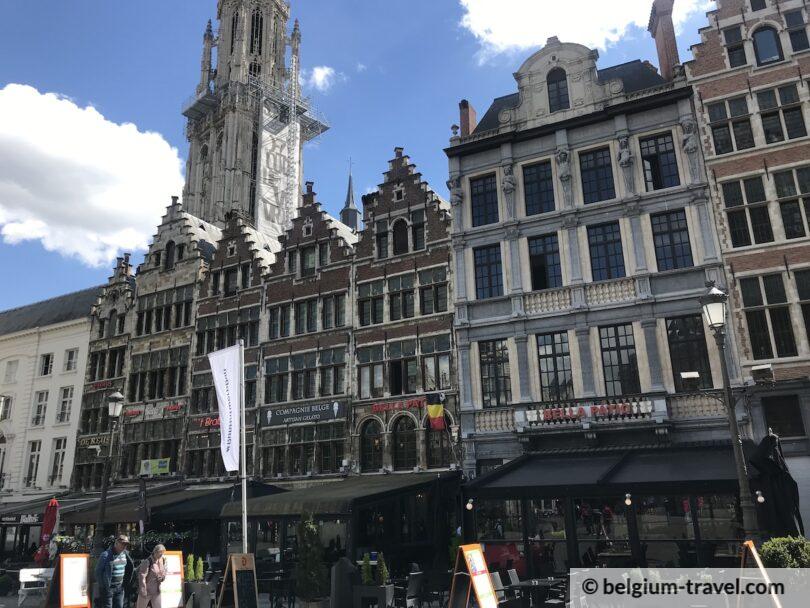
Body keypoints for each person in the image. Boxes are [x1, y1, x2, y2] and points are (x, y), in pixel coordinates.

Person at [95, 534, 135, 608]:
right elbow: (98, 572)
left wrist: (125, 583)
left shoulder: (126, 554)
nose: (124, 546)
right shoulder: (106, 555)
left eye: (126, 544)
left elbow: (129, 568)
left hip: (120, 587)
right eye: (122, 544)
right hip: (109, 588)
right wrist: (104, 587)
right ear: (116, 543)